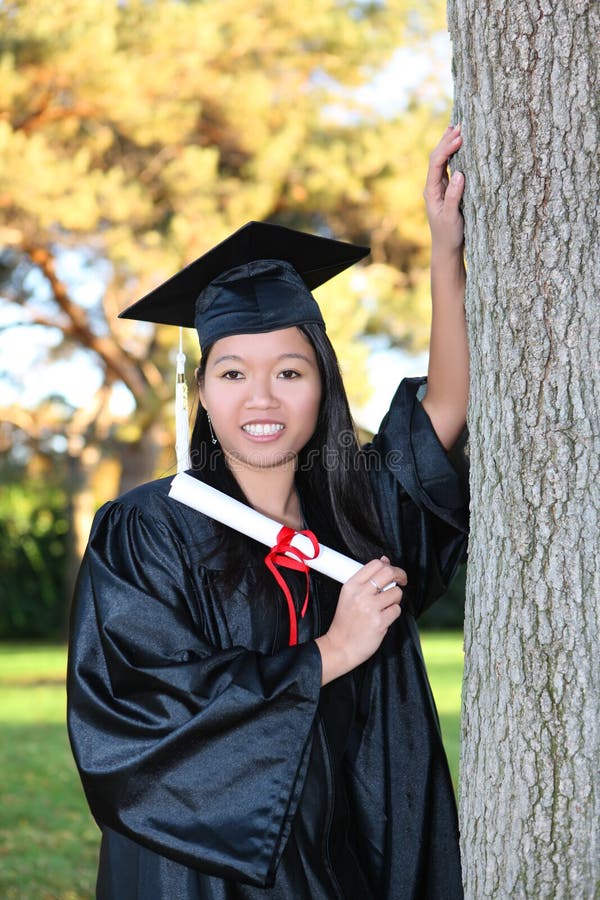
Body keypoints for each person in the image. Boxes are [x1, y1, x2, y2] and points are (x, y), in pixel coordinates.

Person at [67, 125, 469, 899]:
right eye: (232, 374)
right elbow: (134, 716)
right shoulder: (149, 530)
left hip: (337, 856)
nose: (261, 399)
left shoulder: (352, 519)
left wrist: (444, 249)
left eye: (289, 371)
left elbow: (445, 409)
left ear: (323, 386)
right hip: (200, 872)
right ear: (201, 392)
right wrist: (330, 652)